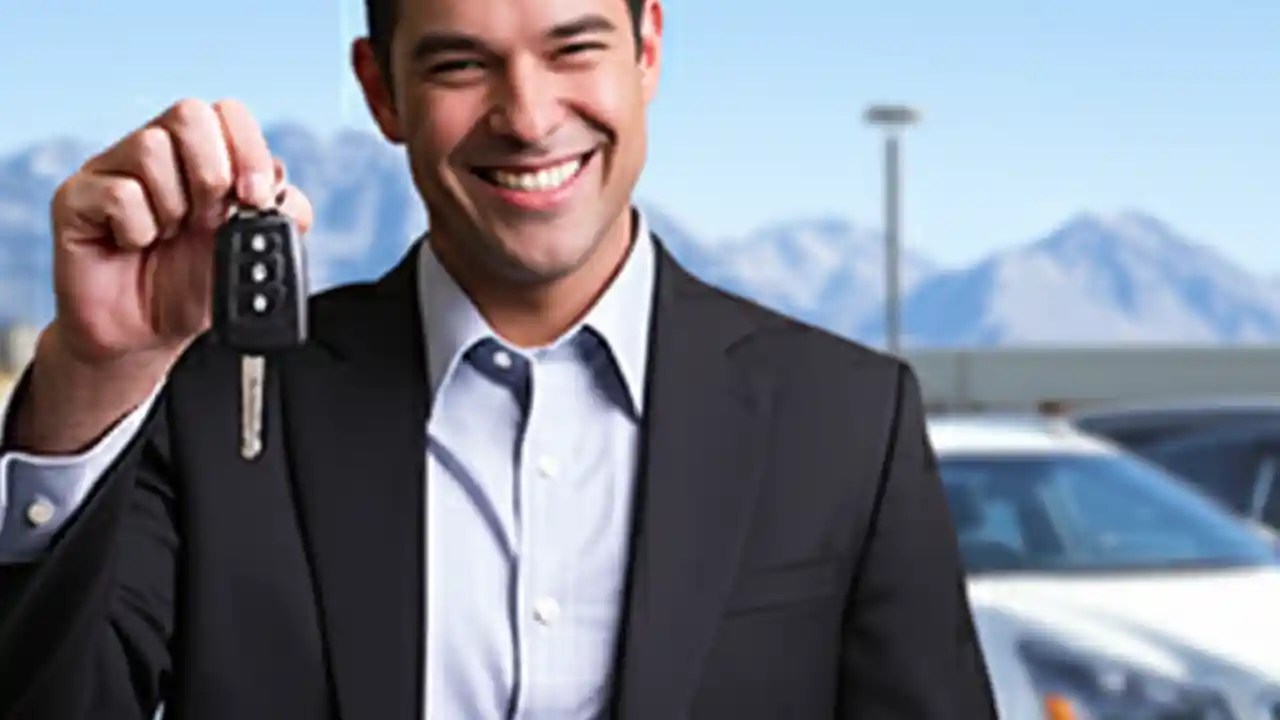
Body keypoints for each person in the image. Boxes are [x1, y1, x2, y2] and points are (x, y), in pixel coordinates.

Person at [0, 0, 997, 717]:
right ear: (381, 92)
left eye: (573, 48)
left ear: (647, 49)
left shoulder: (846, 419)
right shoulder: (208, 400)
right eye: (460, 65)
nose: (527, 116)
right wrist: (96, 370)